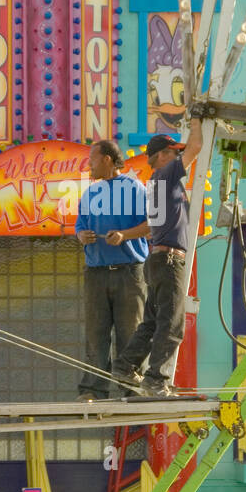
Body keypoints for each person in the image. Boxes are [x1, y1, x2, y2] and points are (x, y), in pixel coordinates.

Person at [109, 115, 203, 398]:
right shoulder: (166, 174)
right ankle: (156, 379)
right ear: (161, 156)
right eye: (173, 152)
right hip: (169, 261)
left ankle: (125, 366)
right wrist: (198, 118)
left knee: (152, 322)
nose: (178, 157)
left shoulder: (155, 183)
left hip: (158, 260)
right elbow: (196, 147)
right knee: (171, 325)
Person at [75, 141, 148, 400]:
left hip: (130, 272)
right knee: (96, 334)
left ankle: (131, 388)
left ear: (107, 159)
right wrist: (82, 236)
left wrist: (124, 235)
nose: (89, 165)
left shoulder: (135, 188)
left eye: (92, 159)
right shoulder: (90, 193)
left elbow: (151, 225)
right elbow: (79, 226)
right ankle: (93, 390)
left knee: (131, 332)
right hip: (96, 272)